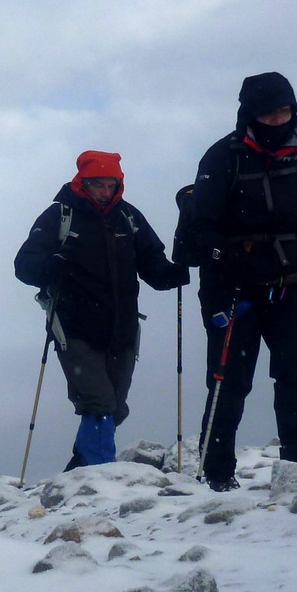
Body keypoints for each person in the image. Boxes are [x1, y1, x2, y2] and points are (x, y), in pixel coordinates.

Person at [184, 72, 297, 491]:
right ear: (250, 113)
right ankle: (216, 471)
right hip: (232, 288)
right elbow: (200, 227)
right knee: (229, 380)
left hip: (291, 284)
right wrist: (225, 258)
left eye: (285, 110)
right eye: (269, 112)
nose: (278, 119)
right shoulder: (221, 157)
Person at [15, 150, 189, 469]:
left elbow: (152, 261)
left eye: (112, 185)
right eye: (99, 185)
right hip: (73, 326)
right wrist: (49, 266)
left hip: (121, 328)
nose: (106, 192)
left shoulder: (129, 217)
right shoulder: (59, 216)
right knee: (98, 401)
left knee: (116, 407)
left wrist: (170, 274)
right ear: (83, 182)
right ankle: (101, 473)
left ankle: (81, 469)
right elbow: (24, 265)